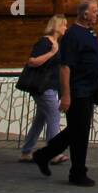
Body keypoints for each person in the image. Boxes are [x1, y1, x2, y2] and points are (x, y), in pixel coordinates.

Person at [32, 0, 98, 187]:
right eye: (95, 11)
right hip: (78, 91)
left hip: (88, 90)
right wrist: (66, 95)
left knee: (76, 131)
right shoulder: (73, 35)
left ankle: (43, 155)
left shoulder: (89, 33)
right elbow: (65, 67)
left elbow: (92, 61)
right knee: (79, 134)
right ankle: (77, 172)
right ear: (84, 14)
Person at [19, 15, 69, 165]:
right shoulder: (45, 42)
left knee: (40, 119)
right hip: (43, 87)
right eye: (64, 25)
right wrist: (51, 53)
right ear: (57, 26)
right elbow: (32, 61)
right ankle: (53, 153)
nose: (66, 28)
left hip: (50, 87)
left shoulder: (56, 44)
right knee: (54, 115)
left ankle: (26, 152)